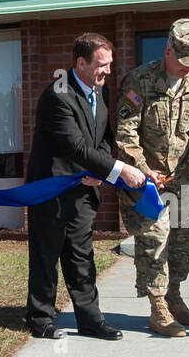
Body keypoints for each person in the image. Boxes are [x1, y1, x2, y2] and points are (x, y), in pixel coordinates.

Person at [24, 32, 150, 340]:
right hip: (52, 191)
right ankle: (40, 318)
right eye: (100, 65)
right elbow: (76, 147)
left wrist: (101, 170)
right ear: (81, 62)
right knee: (46, 256)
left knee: (82, 258)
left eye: (109, 64)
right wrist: (119, 171)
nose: (107, 71)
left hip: (82, 191)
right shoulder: (58, 95)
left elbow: (102, 139)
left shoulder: (98, 91)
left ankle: (90, 320)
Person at [114, 19, 189, 337]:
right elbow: (125, 132)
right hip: (146, 181)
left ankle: (174, 295)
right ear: (168, 52)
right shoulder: (140, 81)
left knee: (185, 241)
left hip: (184, 179)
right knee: (154, 240)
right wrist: (143, 169)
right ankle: (157, 307)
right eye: (184, 61)